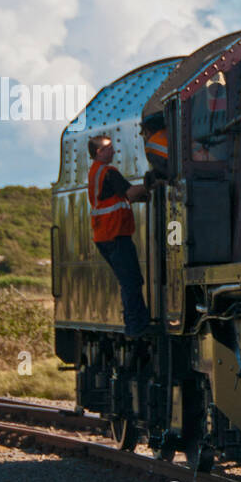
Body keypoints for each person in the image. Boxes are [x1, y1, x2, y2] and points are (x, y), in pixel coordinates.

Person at [87, 135, 151, 337]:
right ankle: (136, 326)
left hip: (106, 235)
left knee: (130, 280)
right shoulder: (108, 172)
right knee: (131, 281)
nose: (113, 151)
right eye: (109, 148)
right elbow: (131, 193)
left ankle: (137, 323)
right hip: (115, 235)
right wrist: (152, 185)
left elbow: (123, 197)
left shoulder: (95, 172)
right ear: (99, 152)